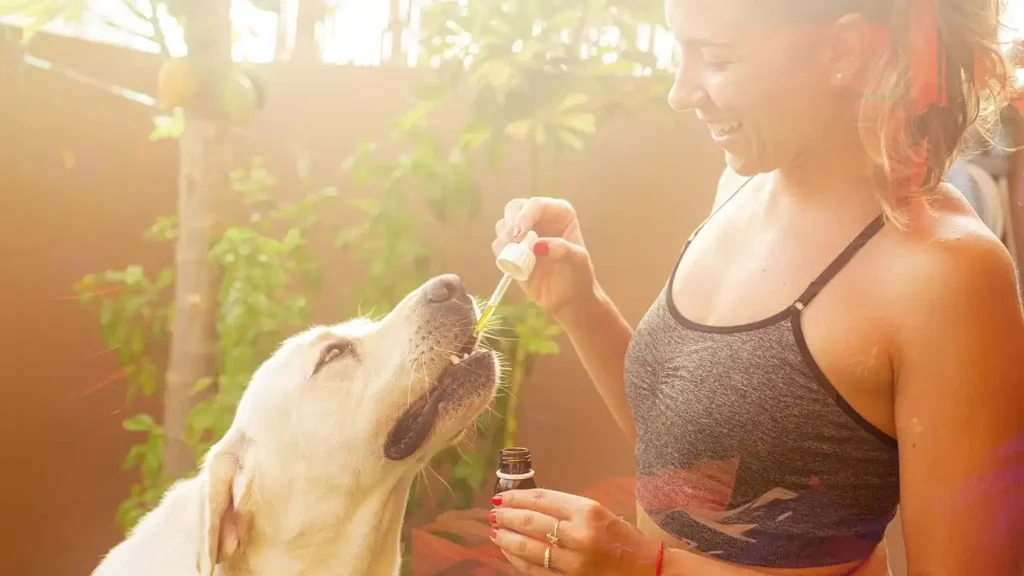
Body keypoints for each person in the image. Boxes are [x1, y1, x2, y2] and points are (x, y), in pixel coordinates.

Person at [486, 1, 1024, 575]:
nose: (680, 93)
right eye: (680, 52)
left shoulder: (948, 275)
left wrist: (645, 568)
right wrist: (581, 303)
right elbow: (689, 455)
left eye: (716, 58)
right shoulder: (740, 187)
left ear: (842, 51)